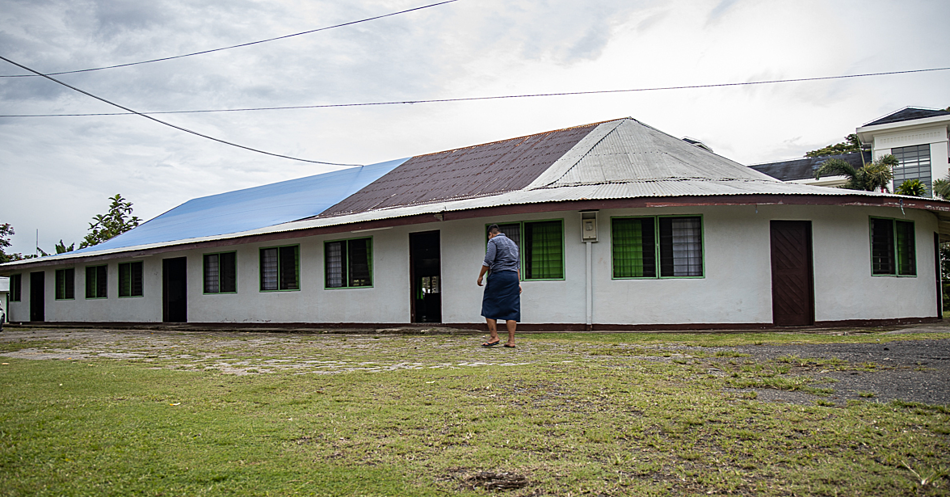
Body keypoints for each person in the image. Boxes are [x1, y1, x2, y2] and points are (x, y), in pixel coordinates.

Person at [477, 224, 522, 347]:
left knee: (489, 304)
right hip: (512, 277)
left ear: (490, 234)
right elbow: (517, 265)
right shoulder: (513, 244)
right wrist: (518, 282)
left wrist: (481, 276)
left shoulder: (493, 241)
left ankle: (494, 337)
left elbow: (488, 260)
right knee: (512, 306)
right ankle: (511, 340)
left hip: (499, 275)